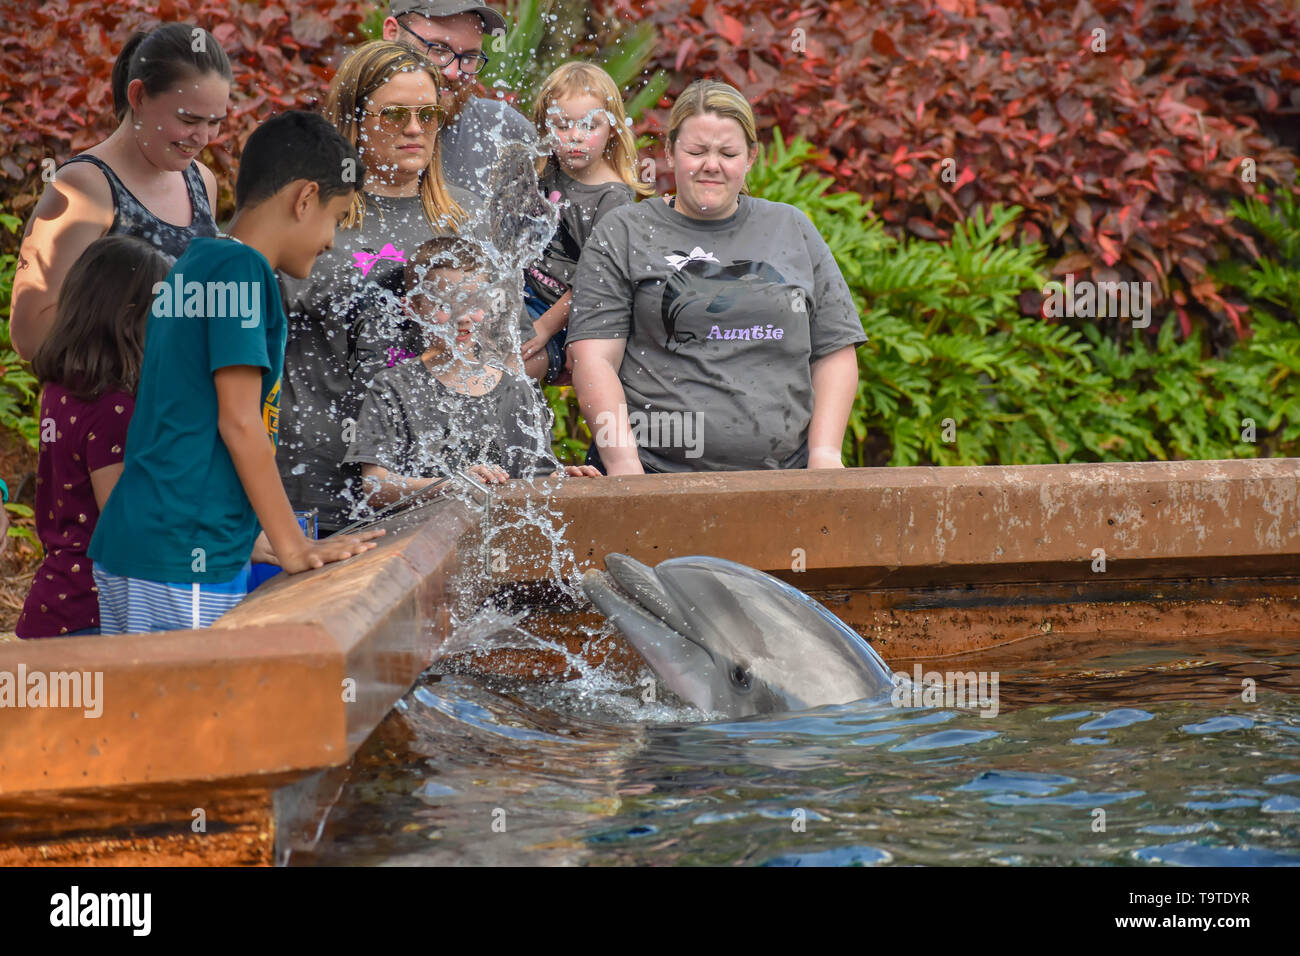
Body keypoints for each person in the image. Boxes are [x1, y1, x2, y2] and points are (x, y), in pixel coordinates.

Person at [87, 112, 384, 634]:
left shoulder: (200, 258)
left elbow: (183, 413)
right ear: (304, 198)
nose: (333, 241)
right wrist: (293, 544)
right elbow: (240, 422)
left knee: (143, 711)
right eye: (336, 218)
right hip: (187, 554)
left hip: (145, 542)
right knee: (200, 712)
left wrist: (254, 535)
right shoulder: (242, 271)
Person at [568, 79, 866, 475]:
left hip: (785, 478)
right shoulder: (624, 231)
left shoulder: (790, 227)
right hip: (654, 471)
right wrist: (625, 469)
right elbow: (592, 360)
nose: (712, 164)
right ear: (671, 153)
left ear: (751, 158)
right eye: (696, 151)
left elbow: (834, 350)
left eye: (728, 152)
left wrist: (825, 456)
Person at [277, 40, 506, 536]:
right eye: (395, 113)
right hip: (316, 484)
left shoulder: (467, 218)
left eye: (428, 114)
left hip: (436, 482)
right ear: (353, 120)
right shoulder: (310, 213)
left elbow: (503, 350)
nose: (414, 128)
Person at [10, 23, 230, 359]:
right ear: (138, 96)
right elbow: (29, 335)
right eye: (188, 120)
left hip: (178, 405)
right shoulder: (86, 187)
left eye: (215, 121)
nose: (203, 137)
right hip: (108, 406)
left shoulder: (201, 180)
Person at [345, 236, 600, 504]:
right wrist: (450, 485)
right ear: (413, 308)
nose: (463, 317)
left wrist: (561, 483)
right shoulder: (394, 387)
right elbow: (374, 485)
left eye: (473, 303)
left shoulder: (517, 388)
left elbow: (534, 481)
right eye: (444, 305)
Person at [17, 237, 169, 638]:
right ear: (132, 318)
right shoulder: (113, 408)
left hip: (53, 603)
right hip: (92, 614)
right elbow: (125, 520)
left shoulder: (61, 390)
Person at [521, 62, 652, 386]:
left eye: (589, 125)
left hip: (563, 316)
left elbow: (595, 282)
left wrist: (546, 328)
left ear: (612, 129)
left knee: (512, 371)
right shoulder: (542, 172)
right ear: (545, 126)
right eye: (563, 125)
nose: (576, 136)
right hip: (520, 295)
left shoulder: (612, 199)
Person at [382, 1, 537, 199]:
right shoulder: (345, 134)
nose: (453, 72)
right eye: (438, 49)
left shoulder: (505, 130)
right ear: (391, 32)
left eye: (469, 57)